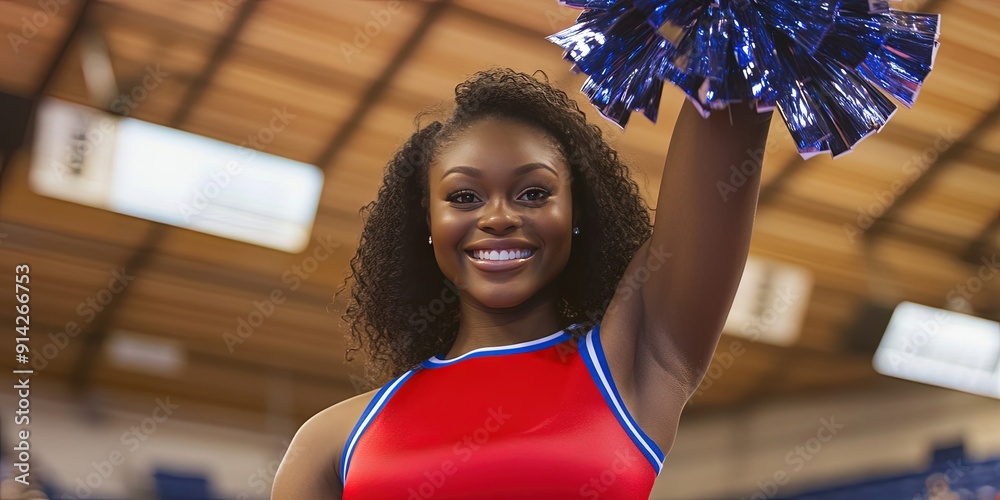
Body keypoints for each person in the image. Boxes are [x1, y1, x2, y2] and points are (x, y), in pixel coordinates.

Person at [272, 67, 772, 499]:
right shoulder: (330, 442)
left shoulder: (634, 361)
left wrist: (726, 20)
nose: (498, 217)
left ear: (577, 214)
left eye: (533, 193)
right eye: (464, 197)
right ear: (426, 223)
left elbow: (735, 81)